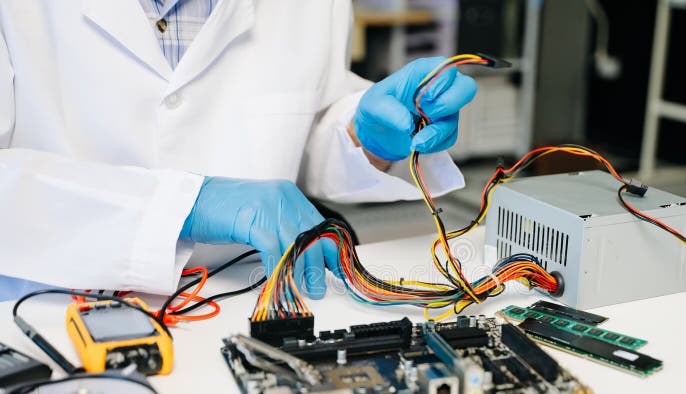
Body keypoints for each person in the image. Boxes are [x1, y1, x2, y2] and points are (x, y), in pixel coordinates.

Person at [0, 1, 477, 301]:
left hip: (248, 302)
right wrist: (187, 204)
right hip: (46, 305)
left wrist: (360, 137)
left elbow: (298, 130)